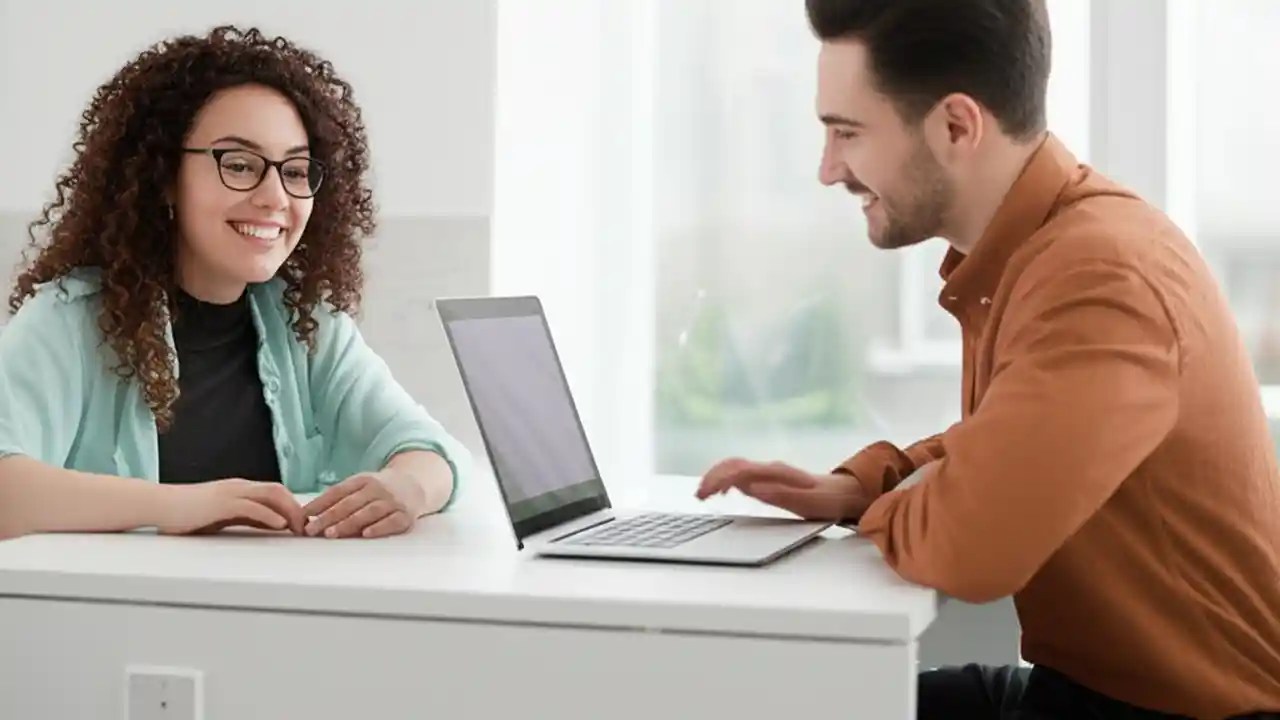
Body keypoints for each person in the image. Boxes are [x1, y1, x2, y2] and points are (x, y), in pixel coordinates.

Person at [696, 1, 1280, 718]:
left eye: (847, 132)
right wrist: (864, 487)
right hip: (1085, 694)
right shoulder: (1055, 248)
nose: (828, 170)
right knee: (776, 702)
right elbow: (1008, 446)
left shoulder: (1102, 274)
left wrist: (911, 502)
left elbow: (972, 547)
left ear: (956, 126)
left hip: (1175, 713)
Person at [0, 26, 469, 541]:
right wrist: (175, 506)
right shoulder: (69, 317)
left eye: (294, 170)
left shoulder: (302, 324)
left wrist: (407, 489)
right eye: (240, 165)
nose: (275, 197)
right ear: (162, 177)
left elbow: (430, 451)